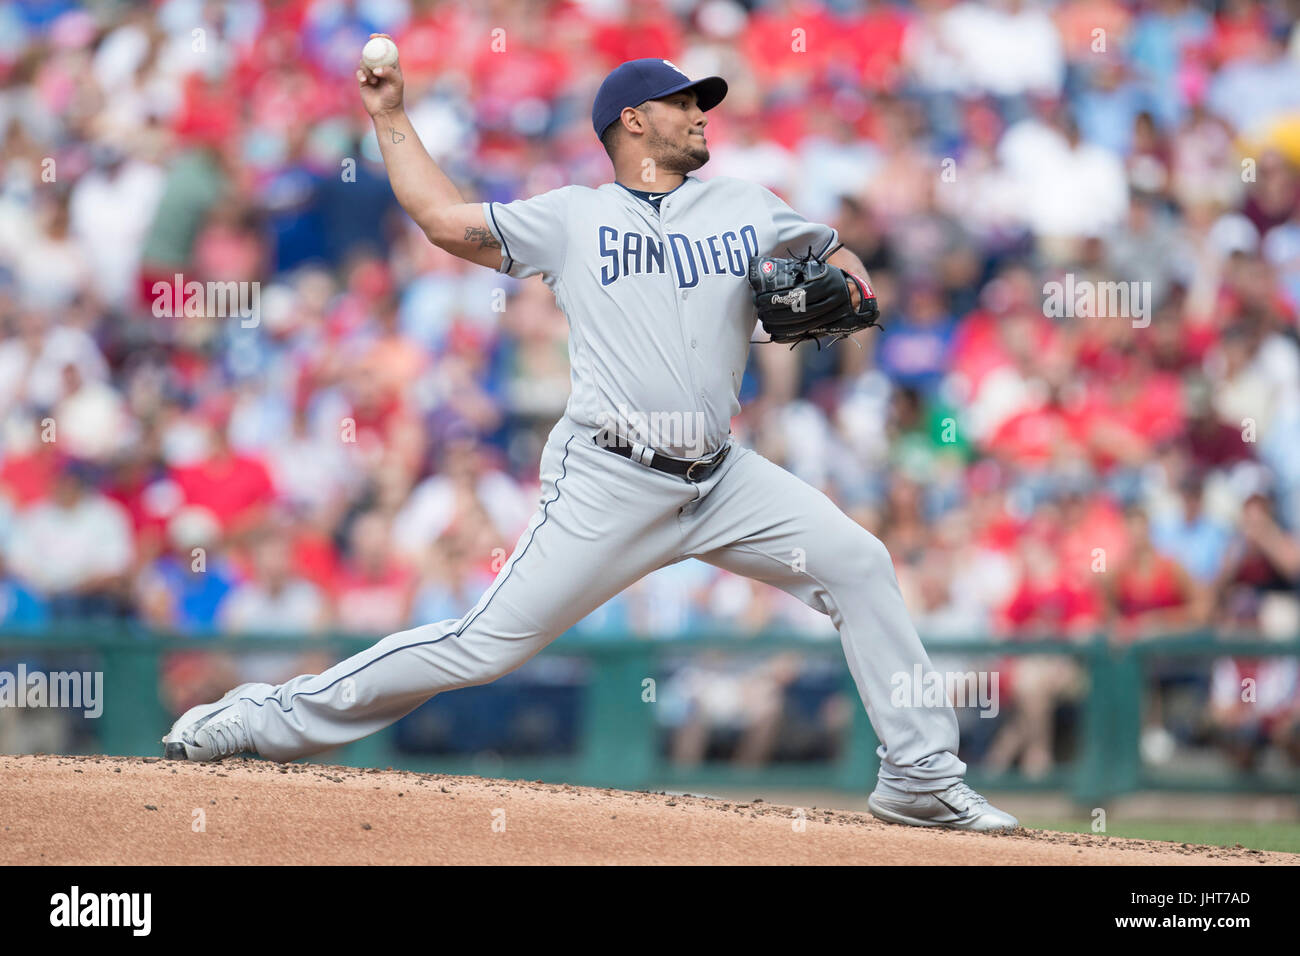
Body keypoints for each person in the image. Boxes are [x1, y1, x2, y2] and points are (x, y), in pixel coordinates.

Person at [163, 46, 1018, 832]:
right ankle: (262, 718)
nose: (701, 115)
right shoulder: (571, 217)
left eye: (703, 103)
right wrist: (389, 113)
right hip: (609, 476)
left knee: (860, 562)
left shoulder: (749, 204)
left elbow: (846, 261)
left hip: (722, 476)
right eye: (685, 103)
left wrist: (856, 296)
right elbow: (436, 215)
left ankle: (919, 771)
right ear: (633, 123)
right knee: (481, 644)